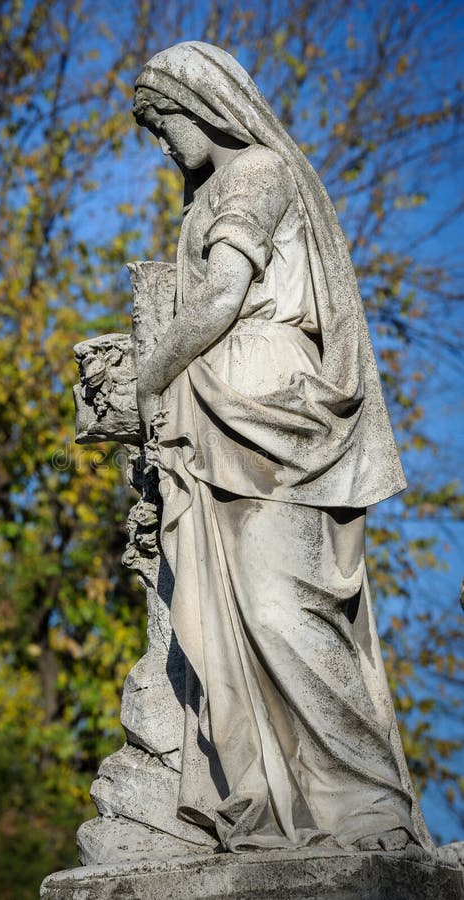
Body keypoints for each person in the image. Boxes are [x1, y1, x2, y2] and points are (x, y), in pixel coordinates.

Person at [132, 41, 433, 854]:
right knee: (225, 615)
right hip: (216, 408)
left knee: (281, 609)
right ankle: (266, 799)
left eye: (162, 123)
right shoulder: (205, 198)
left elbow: (226, 296)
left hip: (267, 404)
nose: (160, 144)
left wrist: (145, 375)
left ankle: (367, 808)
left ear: (202, 107)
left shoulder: (256, 170)